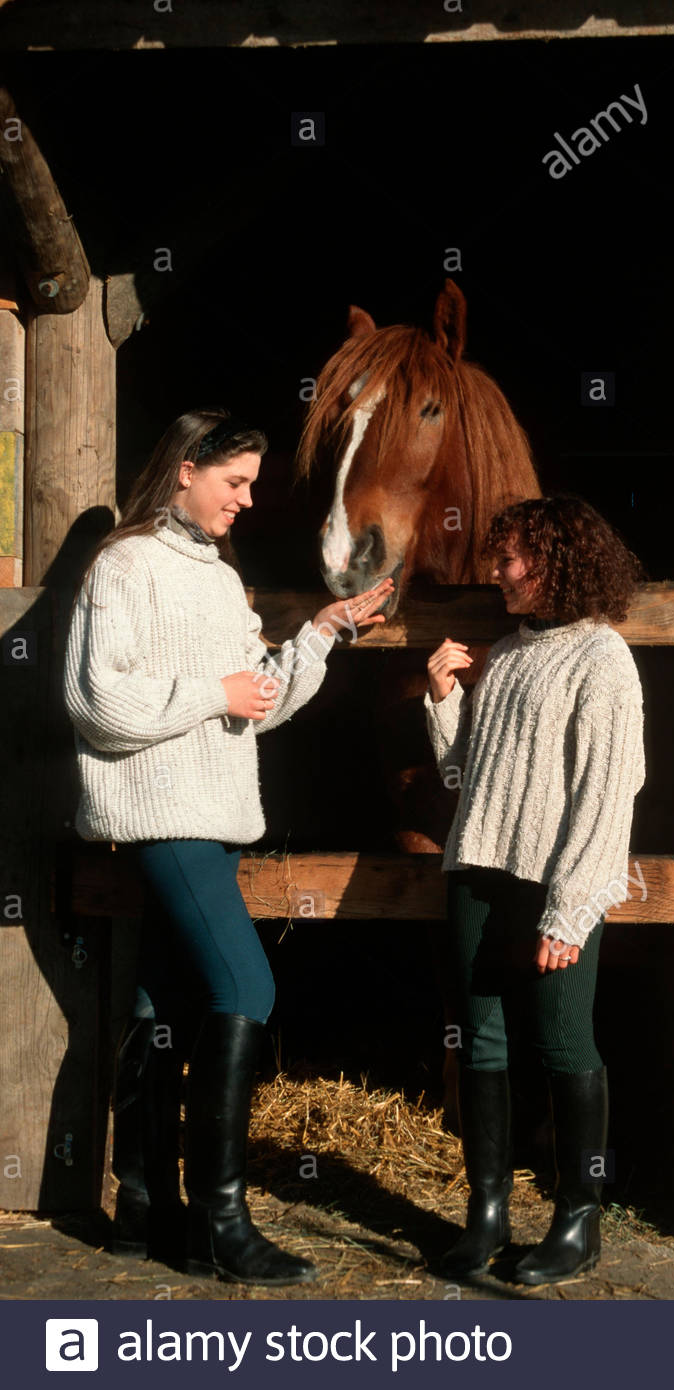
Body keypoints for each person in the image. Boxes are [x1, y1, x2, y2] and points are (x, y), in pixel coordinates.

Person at [63, 408, 394, 1287]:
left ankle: (145, 1210)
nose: (247, 500)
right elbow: (100, 704)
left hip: (209, 813)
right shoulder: (122, 566)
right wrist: (214, 690)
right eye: (235, 482)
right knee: (247, 985)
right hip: (162, 817)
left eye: (252, 484)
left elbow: (260, 702)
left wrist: (322, 633)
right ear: (184, 469)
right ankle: (222, 1222)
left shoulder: (219, 579)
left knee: (159, 1007)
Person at [424, 494, 646, 1285]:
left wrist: (570, 911)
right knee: (481, 1041)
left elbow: (606, 796)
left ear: (554, 562)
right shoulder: (512, 652)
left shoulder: (602, 659)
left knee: (560, 1041)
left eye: (509, 557)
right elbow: (468, 781)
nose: (496, 571)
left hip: (554, 886)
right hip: (476, 873)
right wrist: (447, 704)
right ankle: (486, 1213)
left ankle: (577, 1221)